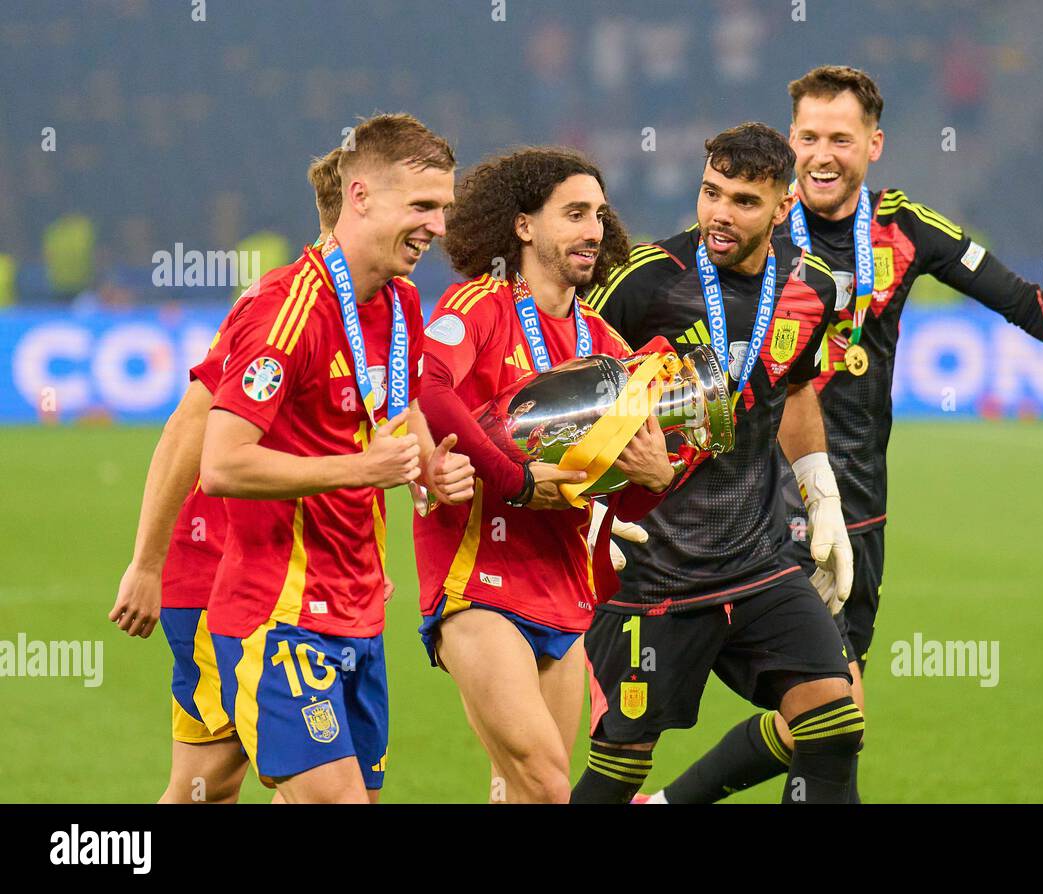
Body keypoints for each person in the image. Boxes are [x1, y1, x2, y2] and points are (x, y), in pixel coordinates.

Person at [648, 65, 1043, 805]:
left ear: (875, 144)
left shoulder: (903, 230)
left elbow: (1020, 299)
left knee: (831, 728)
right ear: (788, 142)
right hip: (763, 496)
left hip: (859, 505)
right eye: (807, 136)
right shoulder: (744, 232)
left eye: (840, 137)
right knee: (836, 720)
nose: (822, 154)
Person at [574, 122, 864, 804]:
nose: (720, 214)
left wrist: (821, 496)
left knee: (834, 721)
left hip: (756, 558)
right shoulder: (646, 280)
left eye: (743, 201)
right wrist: (589, 500)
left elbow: (793, 387)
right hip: (651, 566)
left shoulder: (811, 288)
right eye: (712, 193)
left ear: (783, 208)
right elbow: (573, 385)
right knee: (621, 764)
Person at [199, 113, 475, 804]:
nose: (438, 227)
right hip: (280, 616)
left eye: (443, 208)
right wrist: (362, 470)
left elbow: (398, 415)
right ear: (360, 197)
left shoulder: (404, 303)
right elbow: (223, 464)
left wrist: (428, 467)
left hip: (361, 614)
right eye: (422, 206)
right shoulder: (287, 309)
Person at [414, 148, 674, 803]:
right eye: (575, 214)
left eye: (599, 216)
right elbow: (432, 386)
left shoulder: (607, 347)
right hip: (478, 584)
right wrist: (518, 478)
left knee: (524, 794)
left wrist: (655, 477)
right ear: (524, 226)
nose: (593, 230)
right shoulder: (481, 303)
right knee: (550, 783)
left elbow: (623, 500)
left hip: (563, 591)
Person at [109, 144, 355, 803]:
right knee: (216, 782)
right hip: (225, 574)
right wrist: (148, 563)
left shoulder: (371, 314)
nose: (432, 226)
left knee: (234, 782)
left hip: (300, 579)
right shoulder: (281, 307)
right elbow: (189, 426)